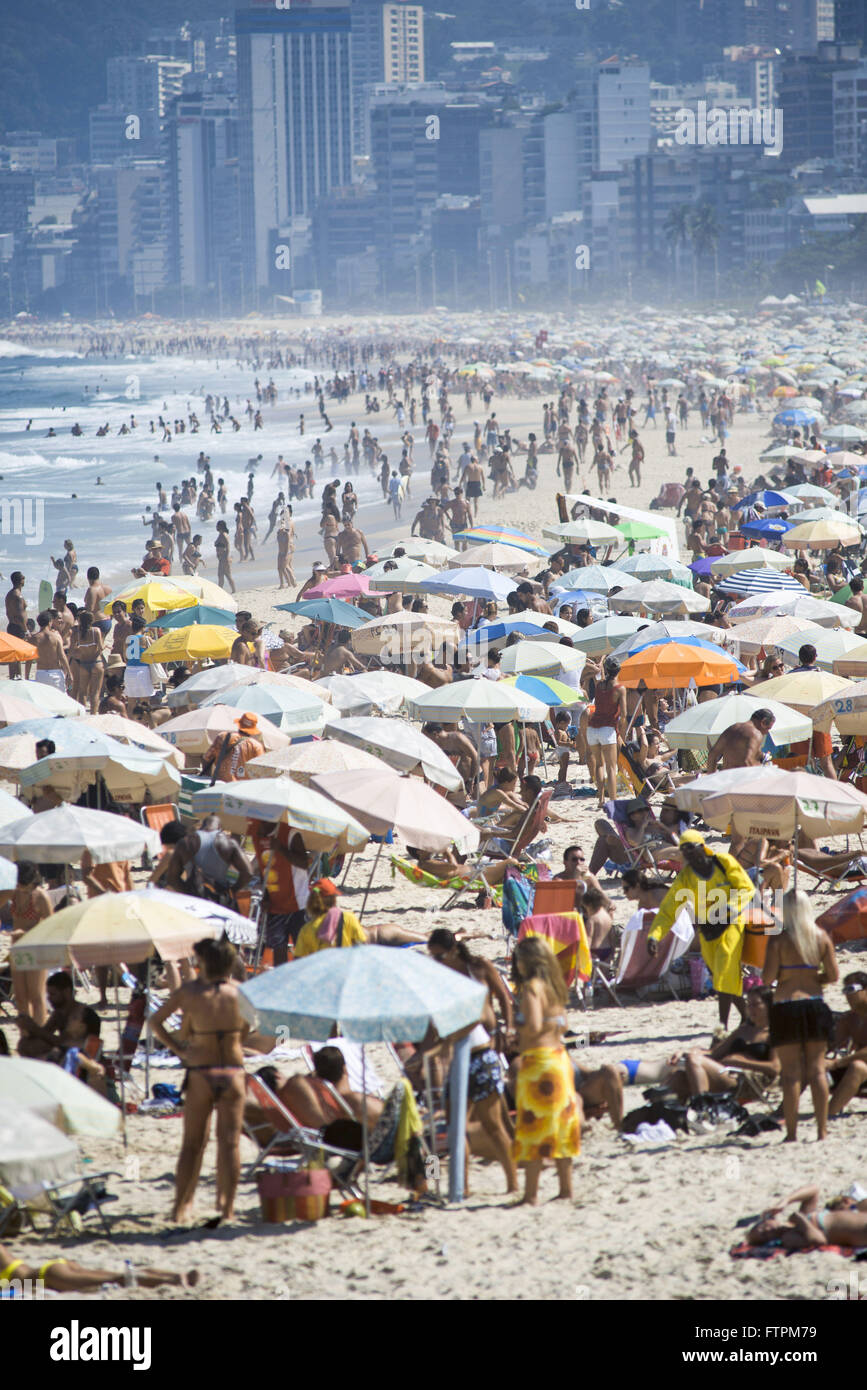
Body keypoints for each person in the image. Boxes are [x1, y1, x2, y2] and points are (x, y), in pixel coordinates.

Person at [149, 935, 250, 1225]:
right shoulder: (240, 992)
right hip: (232, 1071)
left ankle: (181, 1208)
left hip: (200, 1070)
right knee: (230, 1144)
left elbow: (155, 1022)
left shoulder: (190, 992)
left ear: (203, 962)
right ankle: (227, 1208)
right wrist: (234, 1040)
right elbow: (249, 1027)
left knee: (193, 1144)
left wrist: (179, 1048)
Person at [426, 929, 517, 1195]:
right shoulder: (440, 979)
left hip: (481, 1052)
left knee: (493, 1125)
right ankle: (462, 1187)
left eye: (439, 956)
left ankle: (513, 1183)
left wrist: (507, 1029)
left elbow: (502, 999)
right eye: (432, 957)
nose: (436, 962)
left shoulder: (478, 967)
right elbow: (436, 1024)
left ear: (454, 950)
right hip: (459, 1055)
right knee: (456, 1128)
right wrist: (428, 1054)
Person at [648, 830, 753, 1029]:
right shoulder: (685, 877)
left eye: (691, 848)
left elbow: (746, 888)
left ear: (702, 847)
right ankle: (747, 1018)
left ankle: (722, 1027)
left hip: (731, 924)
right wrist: (654, 936)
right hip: (707, 931)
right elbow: (669, 910)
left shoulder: (723, 862)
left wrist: (727, 908)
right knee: (722, 978)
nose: (688, 854)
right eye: (684, 851)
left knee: (725, 972)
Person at [762, 889, 838, 1142]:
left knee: (791, 1073)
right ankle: (822, 1131)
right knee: (817, 1071)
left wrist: (788, 977)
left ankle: (792, 1133)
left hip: (786, 1005)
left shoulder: (779, 940)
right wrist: (813, 979)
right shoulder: (821, 937)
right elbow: (833, 976)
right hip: (815, 1003)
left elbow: (767, 978)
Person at [510, 937, 581, 1205]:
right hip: (559, 1059)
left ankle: (530, 1195)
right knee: (561, 1125)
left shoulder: (531, 988)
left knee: (533, 1127)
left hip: (539, 1062)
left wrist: (515, 1028)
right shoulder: (555, 987)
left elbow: (533, 1025)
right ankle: (566, 1189)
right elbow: (563, 1025)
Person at [0, 1244, 198, 1292]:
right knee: (117, 1274)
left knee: (117, 1280)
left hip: (47, 1277)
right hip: (54, 1267)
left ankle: (170, 1281)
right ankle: (176, 1275)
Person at [248, 820, 309, 966]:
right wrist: (266, 896)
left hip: (297, 902)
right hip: (275, 904)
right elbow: (264, 867)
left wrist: (281, 849)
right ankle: (281, 977)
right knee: (278, 948)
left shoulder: (291, 834)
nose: (257, 827)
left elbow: (304, 862)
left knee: (301, 950)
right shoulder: (256, 834)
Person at [164, 815, 253, 907]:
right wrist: (232, 891)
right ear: (220, 828)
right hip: (219, 900)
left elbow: (172, 878)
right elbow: (248, 873)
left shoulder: (185, 842)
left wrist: (187, 893)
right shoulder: (229, 843)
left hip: (193, 899)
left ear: (202, 826)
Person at [16, 970, 101, 1064]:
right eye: (48, 994)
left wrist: (34, 1028)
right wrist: (29, 1028)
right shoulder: (59, 1012)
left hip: (80, 1056)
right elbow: (45, 1033)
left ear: (66, 992)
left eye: (53, 994)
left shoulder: (79, 1014)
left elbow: (62, 1042)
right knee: (25, 1044)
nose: (49, 998)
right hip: (65, 1051)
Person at [747, 1185, 867, 1250]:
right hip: (861, 1231)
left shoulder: (802, 1217)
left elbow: (814, 1190)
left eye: (763, 1227)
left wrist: (785, 1201)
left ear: (768, 1220)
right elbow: (819, 1240)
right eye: (764, 1235)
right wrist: (800, 1219)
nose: (768, 1230)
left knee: (862, 1202)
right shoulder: (788, 1237)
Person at [9, 861, 52, 1024]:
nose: (19, 887)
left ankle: (39, 1033)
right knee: (20, 997)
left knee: (36, 996)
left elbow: (52, 927)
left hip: (36, 948)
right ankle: (26, 1034)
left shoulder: (41, 897)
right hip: (17, 947)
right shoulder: (13, 892)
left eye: (22, 885)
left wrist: (26, 934)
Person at [586, 655, 626, 808]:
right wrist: (621, 733)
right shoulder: (620, 688)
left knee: (599, 765)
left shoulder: (599, 686)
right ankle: (613, 802)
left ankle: (601, 799)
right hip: (607, 729)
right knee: (611, 767)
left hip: (592, 728)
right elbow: (623, 716)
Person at [827, 971, 867, 1117]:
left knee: (857, 1067)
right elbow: (833, 1045)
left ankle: (827, 1113)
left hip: (860, 1069)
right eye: (845, 990)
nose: (847, 995)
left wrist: (838, 1063)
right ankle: (783, 1110)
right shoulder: (849, 1019)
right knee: (812, 1062)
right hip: (858, 1069)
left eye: (851, 989)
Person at [200, 713, 264, 782]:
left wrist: (206, 776)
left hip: (221, 784)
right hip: (241, 786)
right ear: (253, 730)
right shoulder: (257, 746)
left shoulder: (222, 737)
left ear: (239, 724)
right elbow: (260, 770)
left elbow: (207, 758)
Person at [706, 709, 775, 772]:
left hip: (726, 778)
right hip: (742, 779)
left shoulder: (732, 729)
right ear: (763, 722)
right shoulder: (755, 733)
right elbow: (747, 761)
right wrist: (763, 768)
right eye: (768, 728)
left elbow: (712, 755)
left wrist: (712, 777)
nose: (766, 732)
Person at [34, 610, 71, 692]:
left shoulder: (34, 638)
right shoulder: (56, 636)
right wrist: (69, 673)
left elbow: (29, 659)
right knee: (59, 698)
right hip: (55, 672)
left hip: (40, 672)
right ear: (50, 622)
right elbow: (62, 656)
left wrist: (26, 676)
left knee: (43, 698)